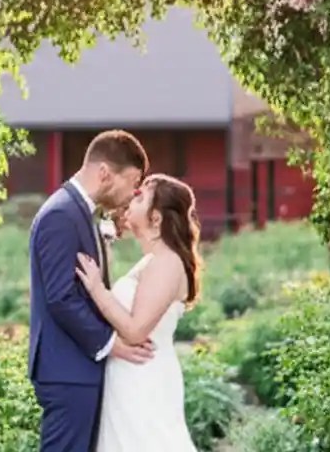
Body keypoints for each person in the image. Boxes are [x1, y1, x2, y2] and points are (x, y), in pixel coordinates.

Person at [28, 129, 155, 452]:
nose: (133, 192)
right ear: (104, 173)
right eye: (133, 180)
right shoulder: (61, 214)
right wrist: (111, 343)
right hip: (67, 370)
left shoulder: (78, 212)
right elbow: (61, 297)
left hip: (76, 368)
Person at [75, 173, 202, 452]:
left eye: (141, 196)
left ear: (156, 219)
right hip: (129, 376)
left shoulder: (167, 262)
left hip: (144, 379)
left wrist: (97, 288)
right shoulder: (153, 260)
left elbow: (134, 330)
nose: (133, 197)